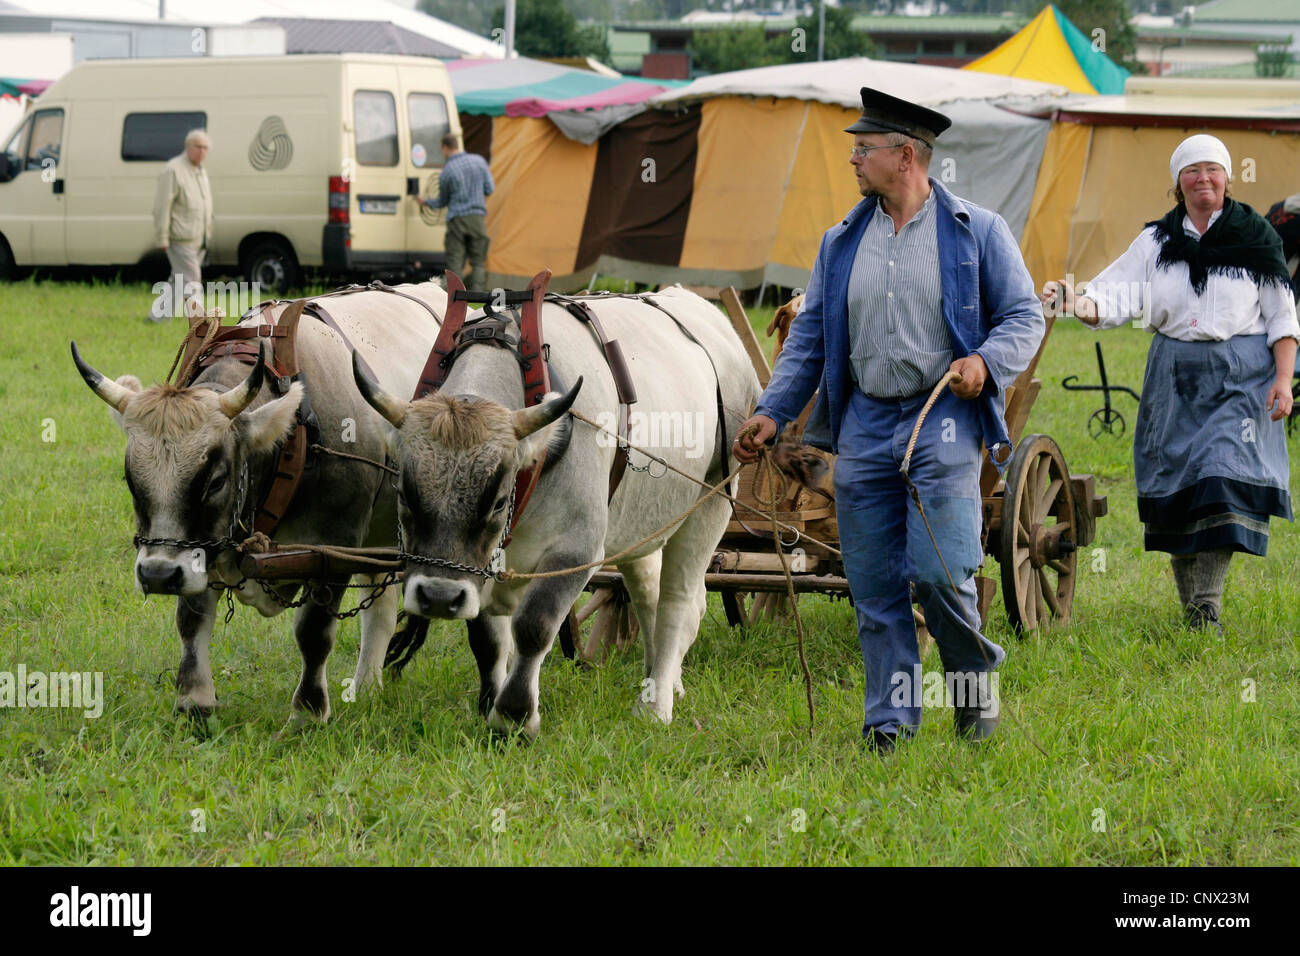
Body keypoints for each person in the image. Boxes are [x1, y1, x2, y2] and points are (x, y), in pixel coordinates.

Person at [735, 88, 1045, 754]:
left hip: (943, 420)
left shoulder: (977, 231)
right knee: (873, 584)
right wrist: (771, 412)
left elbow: (1026, 317)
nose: (852, 158)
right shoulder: (841, 241)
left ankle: (972, 685)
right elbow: (812, 338)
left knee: (938, 571)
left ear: (906, 156)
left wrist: (986, 362)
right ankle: (889, 723)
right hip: (866, 422)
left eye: (863, 148)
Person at [1042, 134, 1298, 635]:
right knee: (1178, 490)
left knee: (1220, 484)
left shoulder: (1257, 237)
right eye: (1192, 171)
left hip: (1239, 375)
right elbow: (1114, 296)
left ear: (1227, 178)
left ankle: (1207, 603)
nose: (1204, 179)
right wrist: (1075, 300)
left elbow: (1282, 317)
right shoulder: (1156, 243)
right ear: (1178, 184)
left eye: (1213, 170)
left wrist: (1284, 381)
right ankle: (1195, 611)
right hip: (1174, 374)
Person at [417, 133, 494, 291]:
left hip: (457, 221)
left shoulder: (447, 171)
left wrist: (425, 202)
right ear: (457, 144)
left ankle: (453, 299)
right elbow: (489, 188)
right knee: (478, 262)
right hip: (477, 219)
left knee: (455, 264)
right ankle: (477, 297)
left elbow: (442, 202)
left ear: (445, 148)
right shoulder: (479, 162)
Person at [151, 128, 213, 321]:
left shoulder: (200, 170)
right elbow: (162, 206)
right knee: (192, 280)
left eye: (205, 148)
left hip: (198, 238)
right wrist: (162, 236)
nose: (202, 151)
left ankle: (157, 317)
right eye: (198, 147)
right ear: (188, 147)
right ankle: (200, 322)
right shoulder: (173, 169)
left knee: (178, 281)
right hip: (180, 238)